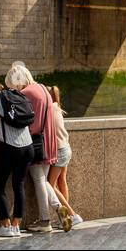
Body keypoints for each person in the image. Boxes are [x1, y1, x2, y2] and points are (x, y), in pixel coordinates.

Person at [0, 69, 36, 237]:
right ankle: (16, 226)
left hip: (11, 145)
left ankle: (5, 225)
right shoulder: (13, 94)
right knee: (18, 185)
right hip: (28, 146)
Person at [7, 61, 63, 233]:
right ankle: (59, 208)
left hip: (35, 141)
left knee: (39, 180)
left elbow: (22, 118)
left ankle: (45, 220)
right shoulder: (41, 88)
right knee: (43, 180)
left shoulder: (25, 93)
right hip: (49, 139)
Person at [46, 85, 82, 230]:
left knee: (50, 184)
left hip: (60, 150)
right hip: (66, 148)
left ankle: (72, 215)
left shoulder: (50, 108)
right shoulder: (58, 108)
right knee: (62, 182)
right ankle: (65, 218)